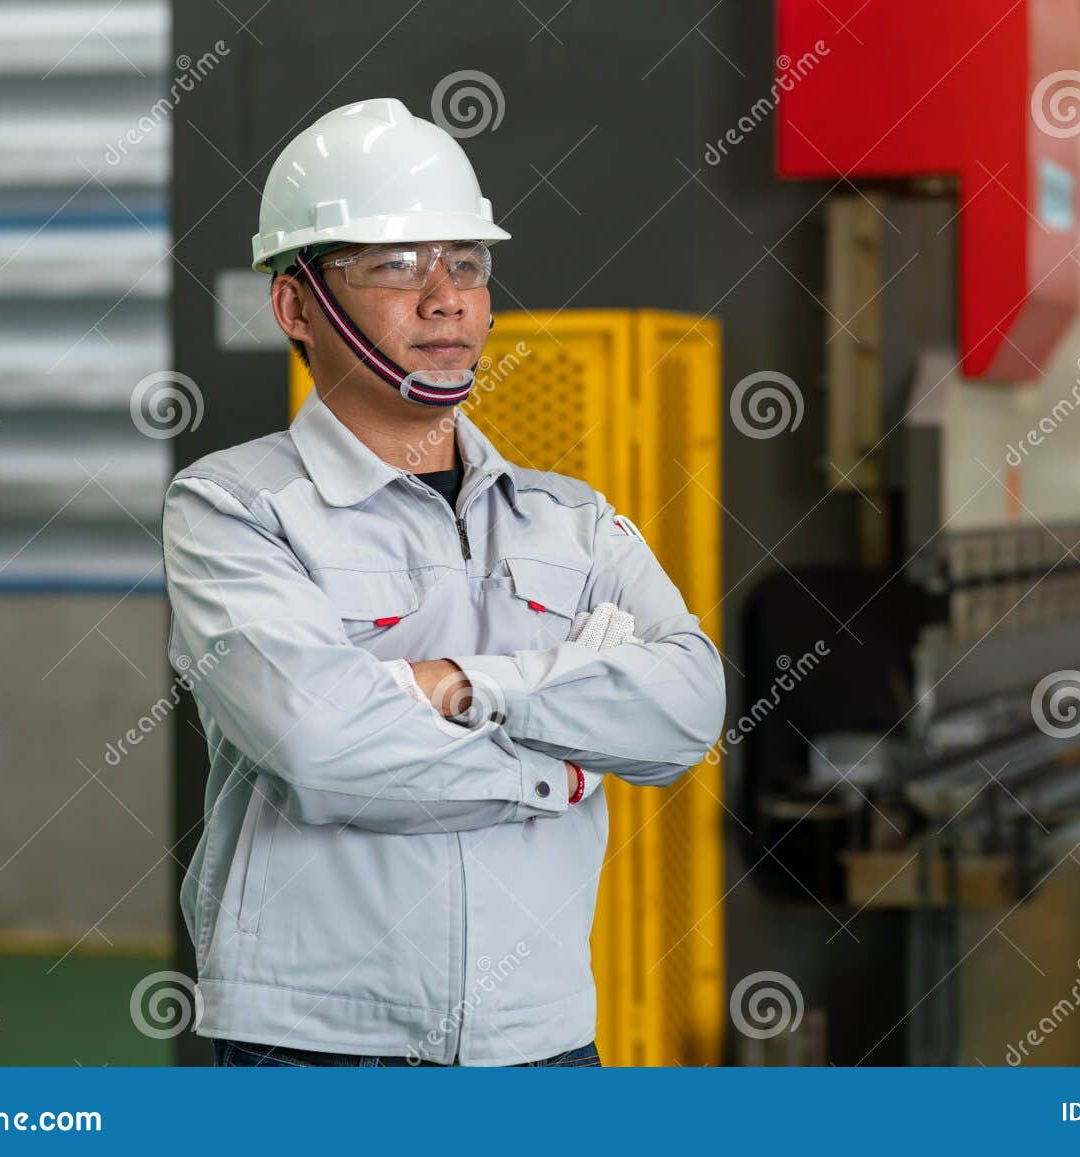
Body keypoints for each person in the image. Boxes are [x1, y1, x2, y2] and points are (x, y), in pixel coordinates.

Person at [161, 97, 726, 1067]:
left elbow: (685, 713)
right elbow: (319, 744)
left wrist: (461, 685)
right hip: (312, 1048)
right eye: (394, 265)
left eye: (465, 262)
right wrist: (563, 760)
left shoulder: (571, 516)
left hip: (541, 1040)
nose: (445, 297)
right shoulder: (235, 507)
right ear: (297, 304)